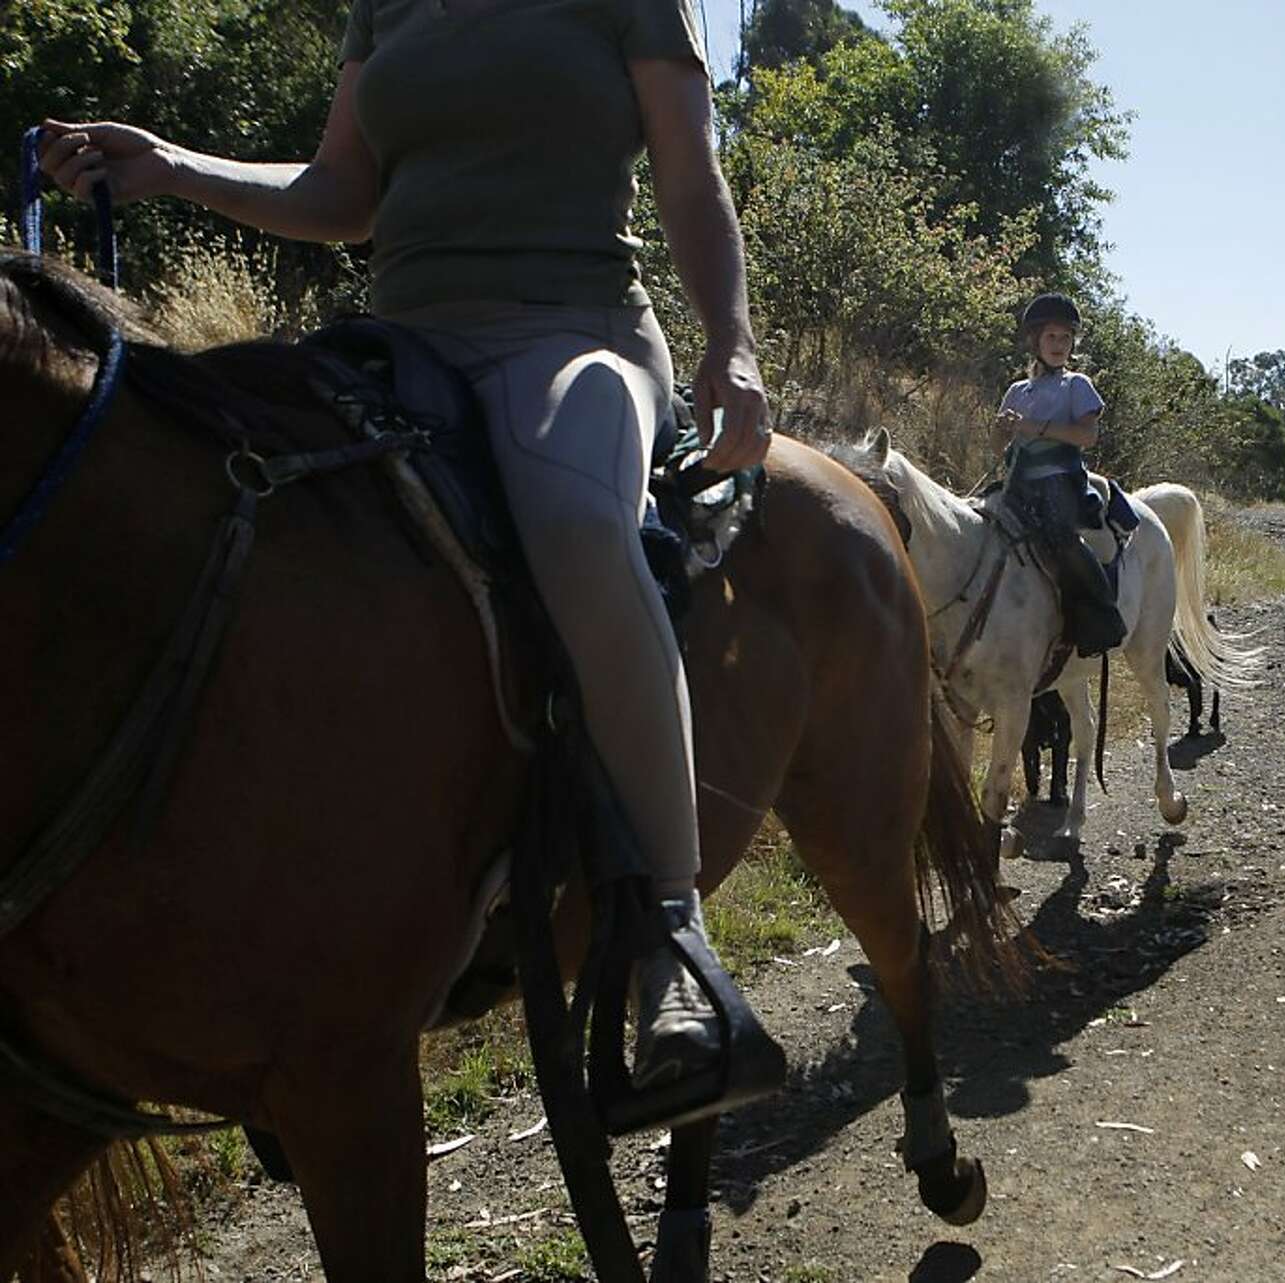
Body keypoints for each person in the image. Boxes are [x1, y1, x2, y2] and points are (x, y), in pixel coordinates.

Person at [34, 0, 776, 1113]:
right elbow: (344, 192)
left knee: (578, 528)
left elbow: (689, 175)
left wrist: (734, 340)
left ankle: (668, 934)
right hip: (397, 344)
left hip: (571, 332)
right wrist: (170, 164)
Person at [994, 293, 1126, 656]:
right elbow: (999, 448)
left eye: (1065, 338)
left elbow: (1087, 435)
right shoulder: (1017, 391)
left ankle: (1100, 616)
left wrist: (1037, 428)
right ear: (1036, 341)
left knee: (1059, 537)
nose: (1059, 345)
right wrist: (1002, 430)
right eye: (1051, 337)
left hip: (1060, 482)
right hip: (1019, 483)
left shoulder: (1077, 385)